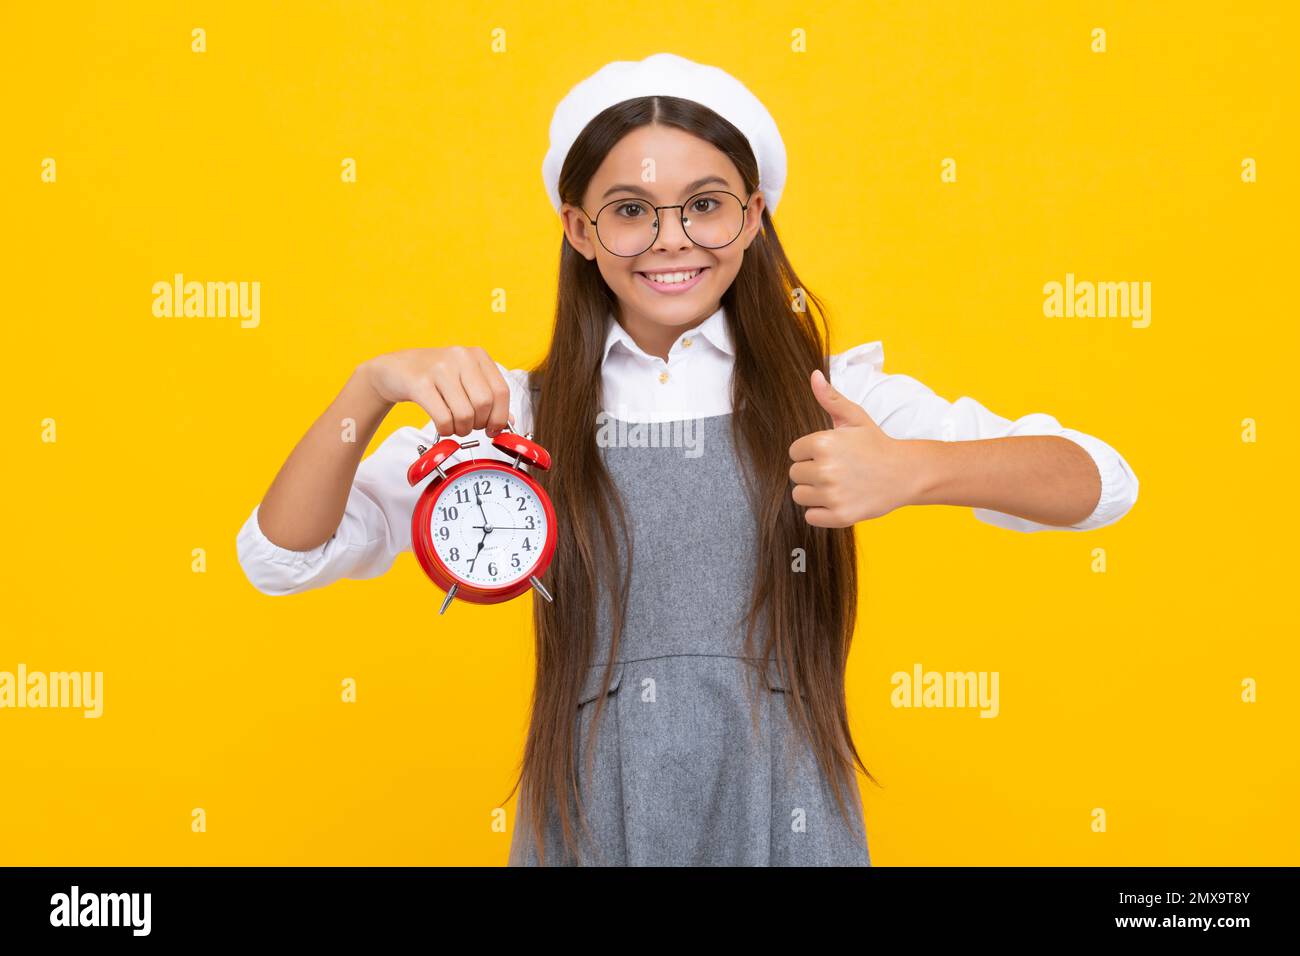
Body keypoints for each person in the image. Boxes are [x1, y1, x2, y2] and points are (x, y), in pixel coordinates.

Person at [236, 53, 1139, 866]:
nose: (671, 240)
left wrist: (917, 470)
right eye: (630, 211)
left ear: (752, 218)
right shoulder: (513, 418)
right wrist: (369, 387)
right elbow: (281, 557)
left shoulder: (836, 401)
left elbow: (1100, 481)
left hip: (784, 818)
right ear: (580, 231)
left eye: (704, 206)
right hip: (590, 821)